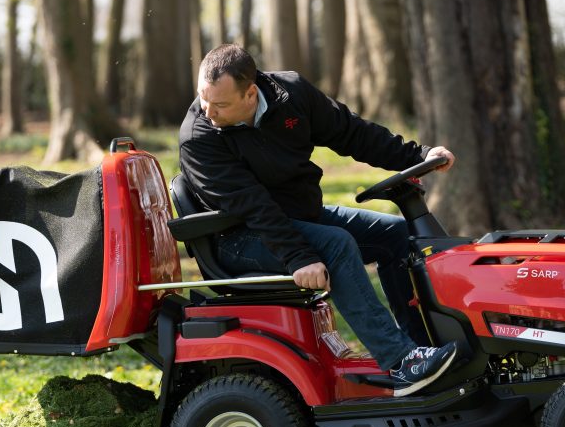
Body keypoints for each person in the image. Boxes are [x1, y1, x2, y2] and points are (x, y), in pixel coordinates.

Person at [178, 44, 458, 397]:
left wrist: (416, 155)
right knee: (335, 243)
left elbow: (351, 132)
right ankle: (402, 362)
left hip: (297, 218)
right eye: (204, 99)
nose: (208, 111)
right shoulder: (198, 138)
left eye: (219, 104)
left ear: (251, 92)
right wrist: (298, 256)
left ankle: (422, 350)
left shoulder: (291, 94)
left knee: (395, 235)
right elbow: (254, 206)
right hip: (238, 237)